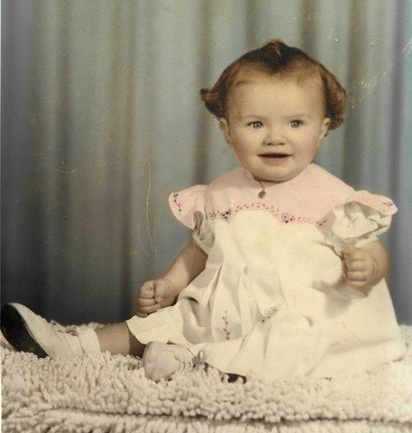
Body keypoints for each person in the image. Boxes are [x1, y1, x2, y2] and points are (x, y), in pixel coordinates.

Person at [1, 40, 405, 383]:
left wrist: (368, 265)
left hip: (299, 310)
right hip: (224, 310)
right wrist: (170, 283)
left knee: (290, 339)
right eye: (256, 124)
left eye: (295, 123)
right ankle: (74, 346)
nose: (276, 137)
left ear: (323, 128)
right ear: (227, 130)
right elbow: (201, 248)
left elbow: (370, 246)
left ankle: (194, 361)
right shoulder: (221, 191)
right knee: (169, 320)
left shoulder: (332, 196)